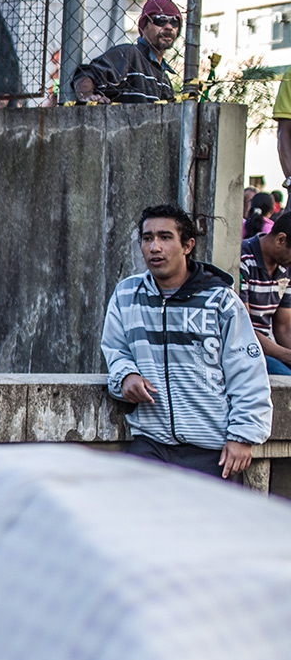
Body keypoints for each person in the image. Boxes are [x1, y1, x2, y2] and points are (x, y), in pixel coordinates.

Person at [101, 204, 272, 480]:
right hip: (151, 444)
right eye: (147, 238)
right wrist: (126, 376)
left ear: (187, 245)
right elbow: (115, 350)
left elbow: (248, 372)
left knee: (209, 524)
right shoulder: (126, 294)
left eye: (165, 237)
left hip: (210, 450)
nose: (155, 247)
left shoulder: (220, 301)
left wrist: (243, 435)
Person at [68, 0, 182, 102]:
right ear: (144, 26)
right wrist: (88, 97)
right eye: (161, 20)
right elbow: (86, 74)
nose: (169, 27)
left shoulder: (164, 78)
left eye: (174, 22)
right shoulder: (129, 54)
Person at [242, 218, 291, 375]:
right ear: (280, 239)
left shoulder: (286, 268)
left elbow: (283, 327)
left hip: (269, 347)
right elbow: (243, 328)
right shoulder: (242, 259)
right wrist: (286, 355)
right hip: (245, 350)